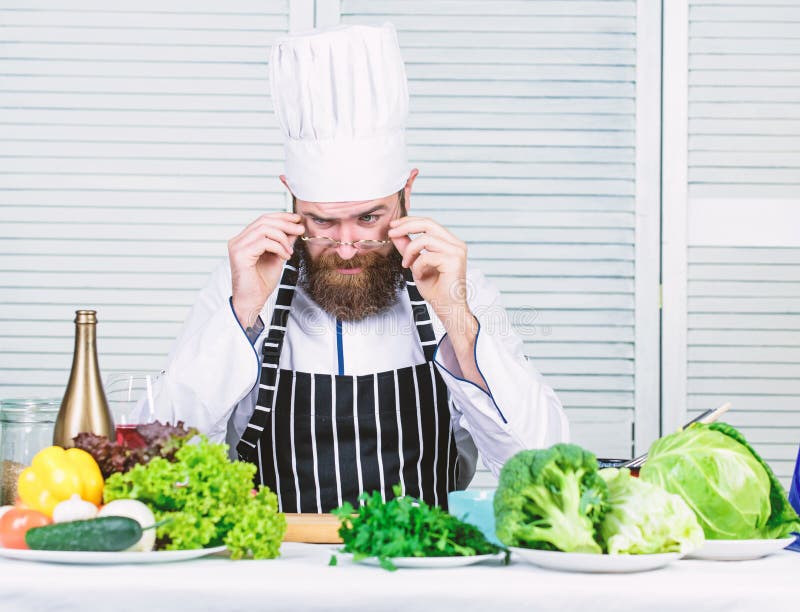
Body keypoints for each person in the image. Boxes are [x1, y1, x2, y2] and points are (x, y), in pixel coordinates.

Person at [150, 23, 568, 513]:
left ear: (407, 192)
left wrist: (457, 316)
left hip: (419, 565)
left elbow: (542, 463)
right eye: (322, 221)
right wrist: (240, 314)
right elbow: (156, 457)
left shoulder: (456, 286)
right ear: (290, 196)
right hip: (274, 570)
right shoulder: (242, 287)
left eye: (370, 217)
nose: (347, 247)